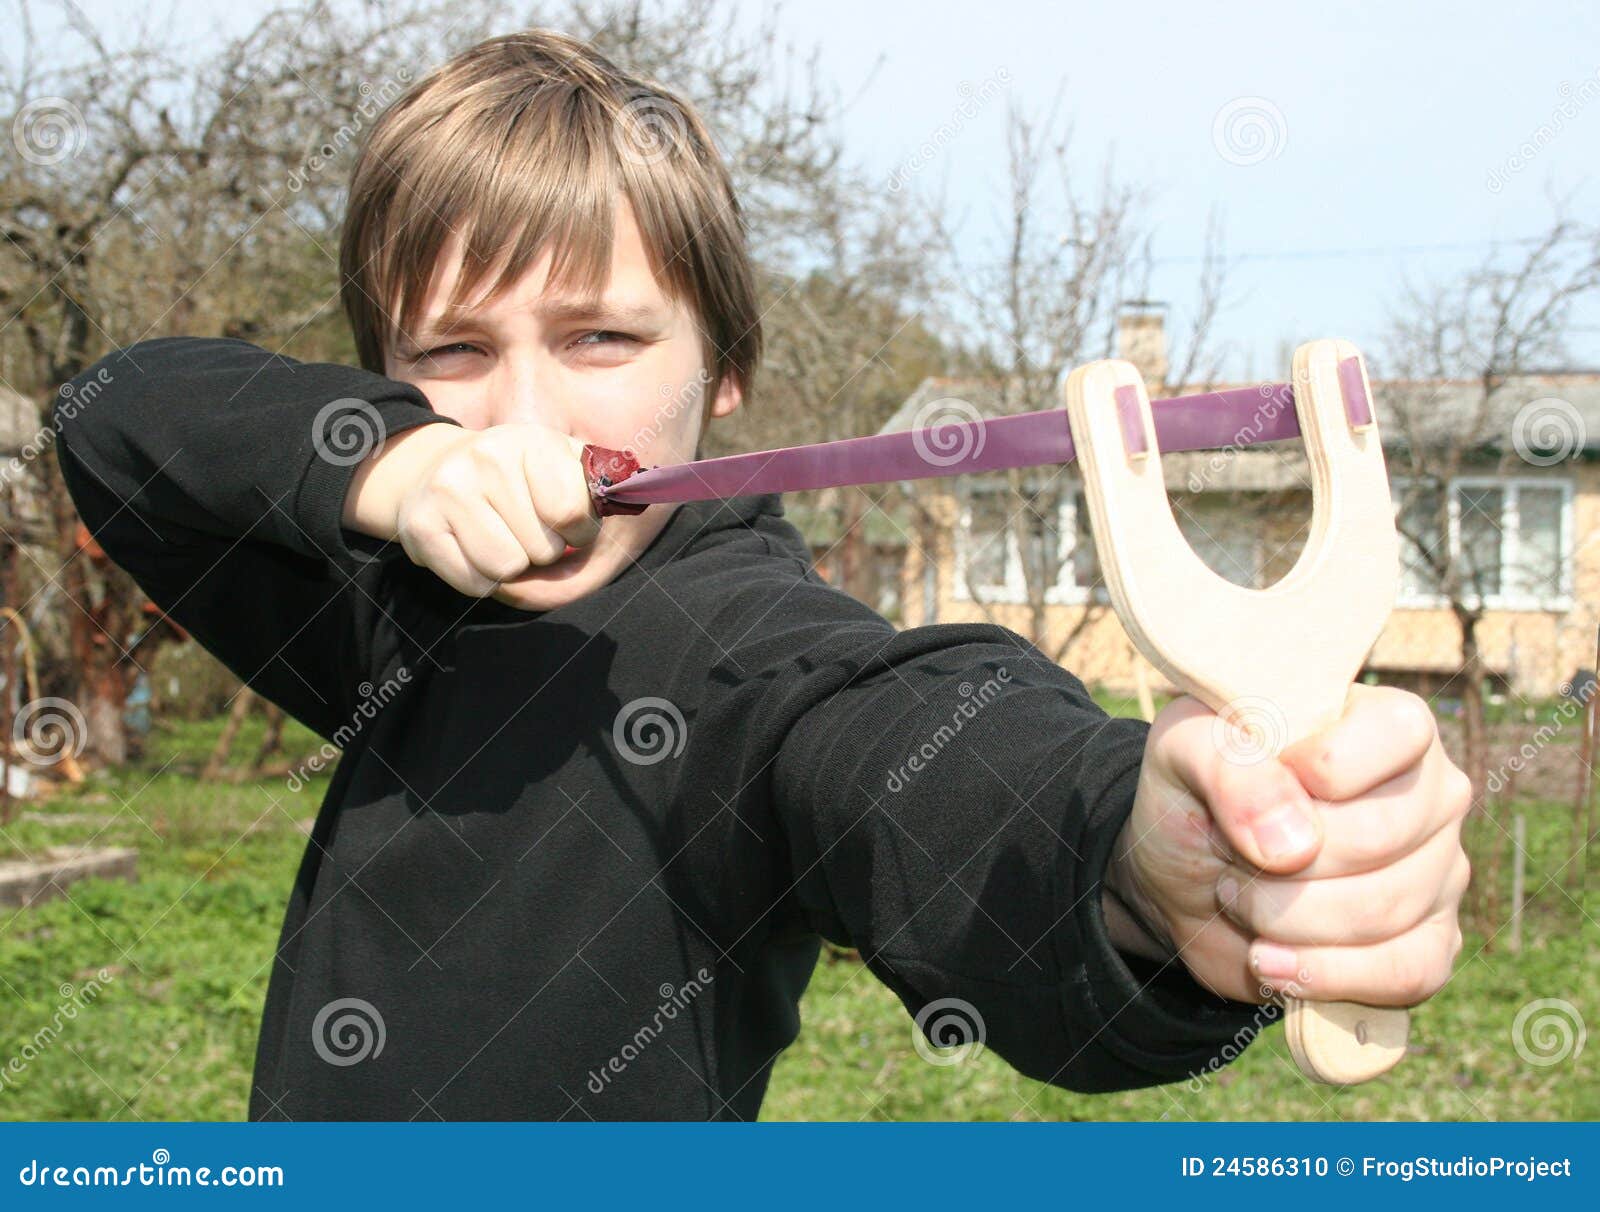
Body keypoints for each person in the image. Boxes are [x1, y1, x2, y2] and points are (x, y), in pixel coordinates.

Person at [55, 29, 1470, 1120]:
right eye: (452, 354)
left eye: (603, 340)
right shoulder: (389, 600)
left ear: (724, 372)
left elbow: (920, 750)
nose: (528, 422)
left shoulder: (752, 658)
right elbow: (121, 414)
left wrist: (1140, 870)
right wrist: (394, 463)